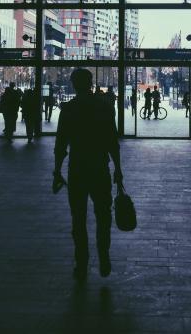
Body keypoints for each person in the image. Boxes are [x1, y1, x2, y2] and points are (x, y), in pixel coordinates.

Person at [53, 68, 124, 280]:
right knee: (103, 216)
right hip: (100, 168)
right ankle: (104, 256)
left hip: (77, 169)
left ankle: (81, 262)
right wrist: (118, 170)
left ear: (74, 84)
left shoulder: (69, 110)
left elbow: (60, 145)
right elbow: (113, 142)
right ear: (91, 82)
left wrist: (56, 171)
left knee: (79, 218)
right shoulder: (103, 107)